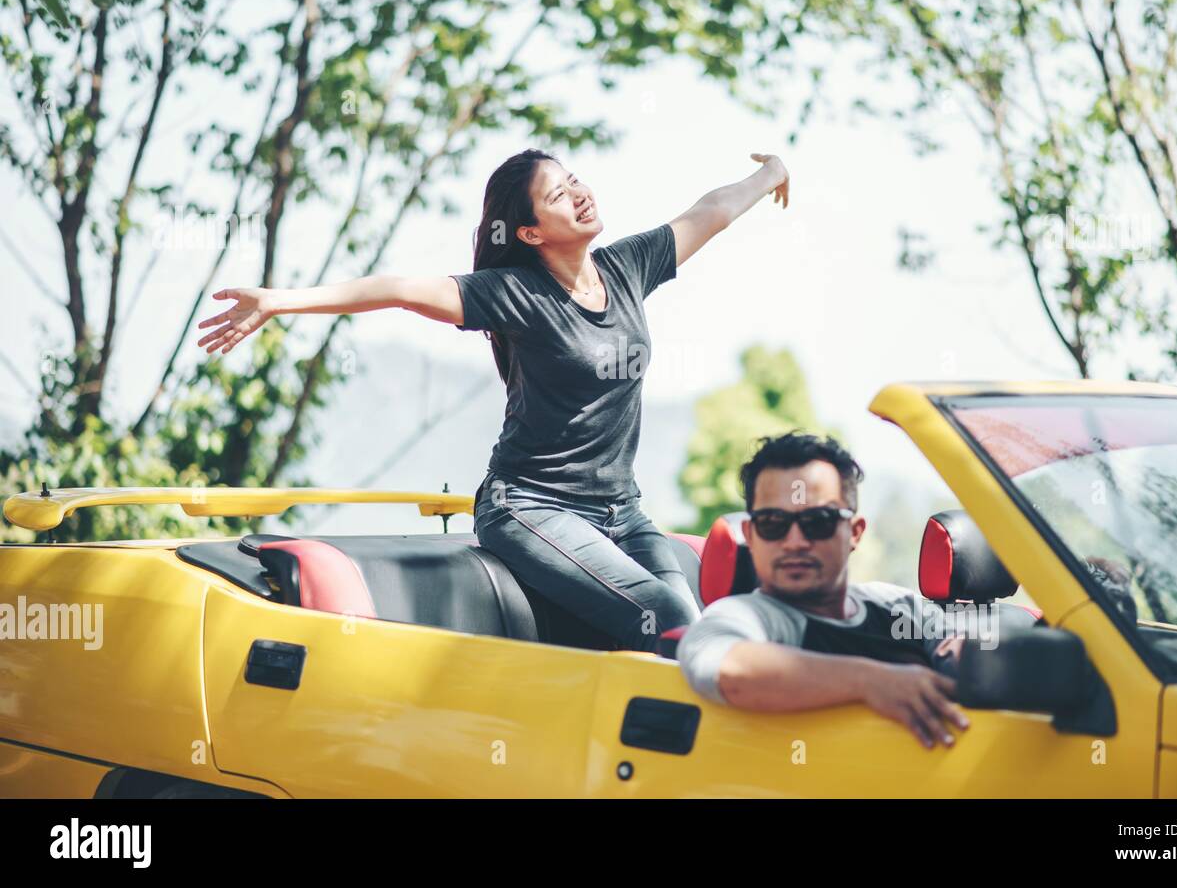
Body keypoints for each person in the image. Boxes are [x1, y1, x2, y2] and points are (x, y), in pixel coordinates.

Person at [195, 147, 791, 651]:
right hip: (532, 508)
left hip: (623, 510)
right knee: (668, 616)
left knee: (705, 633)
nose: (579, 193)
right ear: (530, 233)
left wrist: (770, 174)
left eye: (575, 180)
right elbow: (401, 290)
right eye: (559, 195)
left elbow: (709, 213)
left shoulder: (629, 267)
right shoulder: (517, 294)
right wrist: (279, 300)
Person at [677, 432, 971, 748]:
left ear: (855, 532)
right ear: (750, 534)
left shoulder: (901, 607)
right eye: (773, 522)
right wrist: (870, 681)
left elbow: (967, 659)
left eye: (818, 521)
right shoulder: (747, 615)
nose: (795, 541)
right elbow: (724, 666)